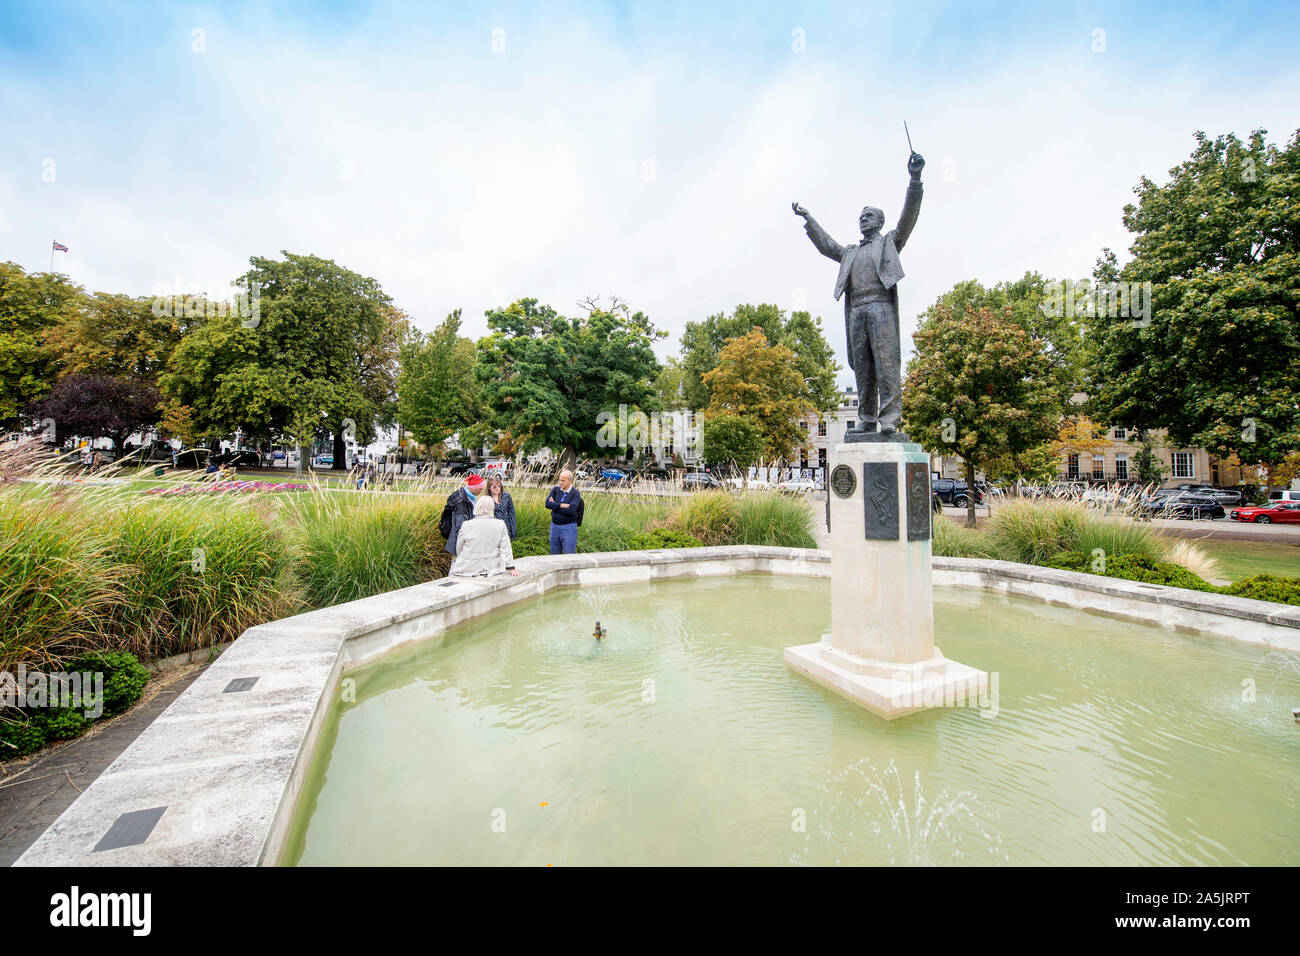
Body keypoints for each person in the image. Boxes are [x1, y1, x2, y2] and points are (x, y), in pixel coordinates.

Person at [450, 494, 519, 577]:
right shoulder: (500, 524)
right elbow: (506, 548)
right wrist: (511, 567)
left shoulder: (466, 525)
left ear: (477, 506)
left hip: (468, 566)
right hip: (491, 567)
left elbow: (459, 548)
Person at [441, 473, 483, 554]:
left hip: (462, 541)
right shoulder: (462, 502)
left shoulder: (469, 496)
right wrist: (464, 546)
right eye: (479, 489)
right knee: (457, 565)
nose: (480, 491)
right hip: (459, 543)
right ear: (473, 487)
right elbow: (460, 527)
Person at [545, 468, 583, 554]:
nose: (560, 482)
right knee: (554, 555)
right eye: (559, 480)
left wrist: (555, 505)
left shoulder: (575, 493)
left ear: (570, 481)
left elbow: (572, 510)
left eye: (563, 481)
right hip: (554, 526)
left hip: (568, 527)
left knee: (569, 555)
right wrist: (561, 505)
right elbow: (547, 504)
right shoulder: (555, 490)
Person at [486, 475, 517, 539]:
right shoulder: (486, 499)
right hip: (493, 530)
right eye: (494, 487)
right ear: (489, 488)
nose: (497, 488)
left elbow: (512, 514)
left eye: (499, 486)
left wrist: (513, 531)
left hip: (506, 527)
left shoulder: (506, 497)